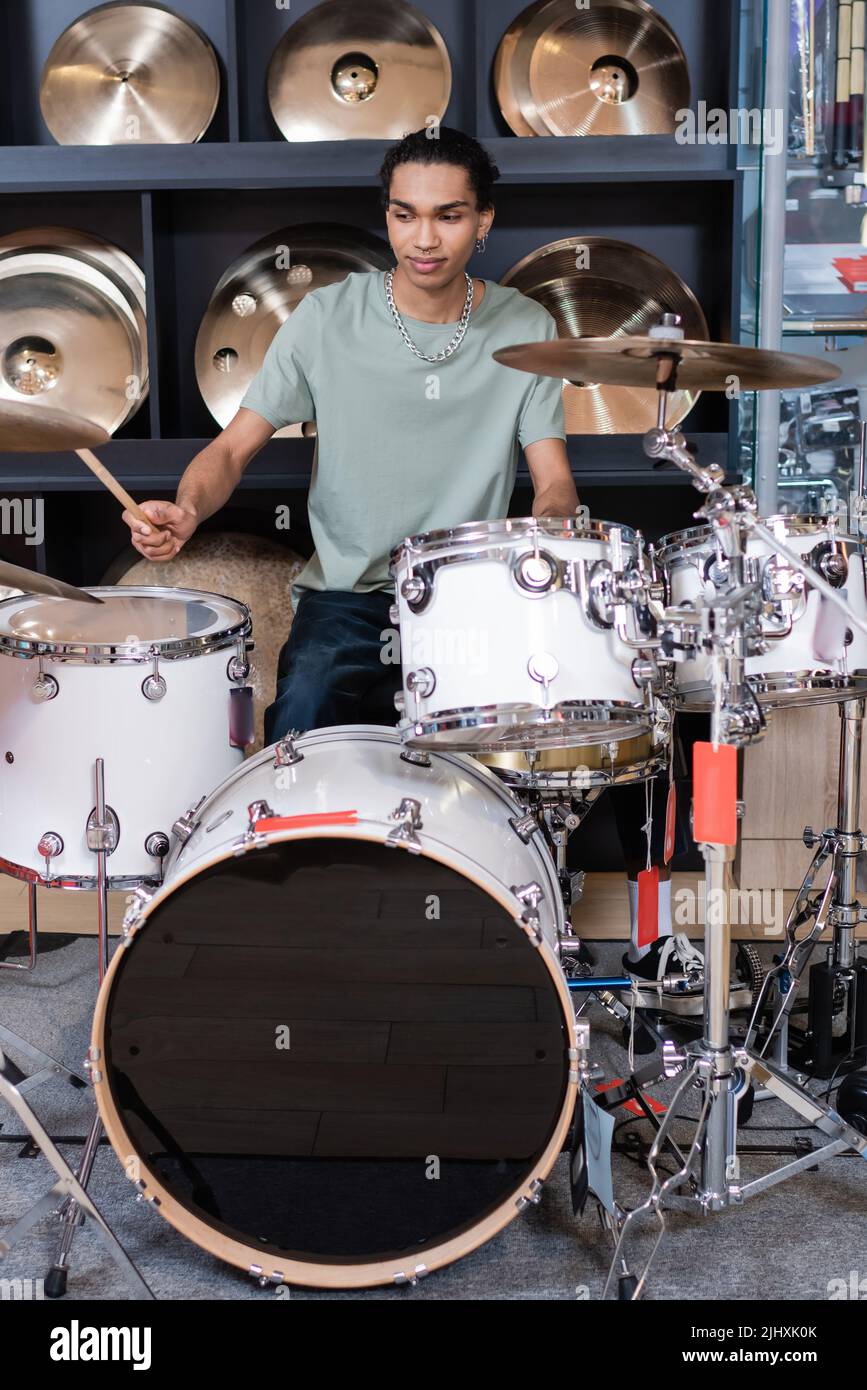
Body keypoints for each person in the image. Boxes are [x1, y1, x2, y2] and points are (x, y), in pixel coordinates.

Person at [122, 126, 701, 990]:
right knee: (301, 725)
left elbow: (551, 480)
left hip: (475, 605)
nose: (423, 238)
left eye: (447, 216)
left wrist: (550, 532)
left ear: (483, 222)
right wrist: (185, 507)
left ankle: (500, 935)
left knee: (560, 748)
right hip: (348, 597)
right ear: (386, 218)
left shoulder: (524, 327)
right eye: (404, 214)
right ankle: (301, 943)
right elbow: (233, 448)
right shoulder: (326, 317)